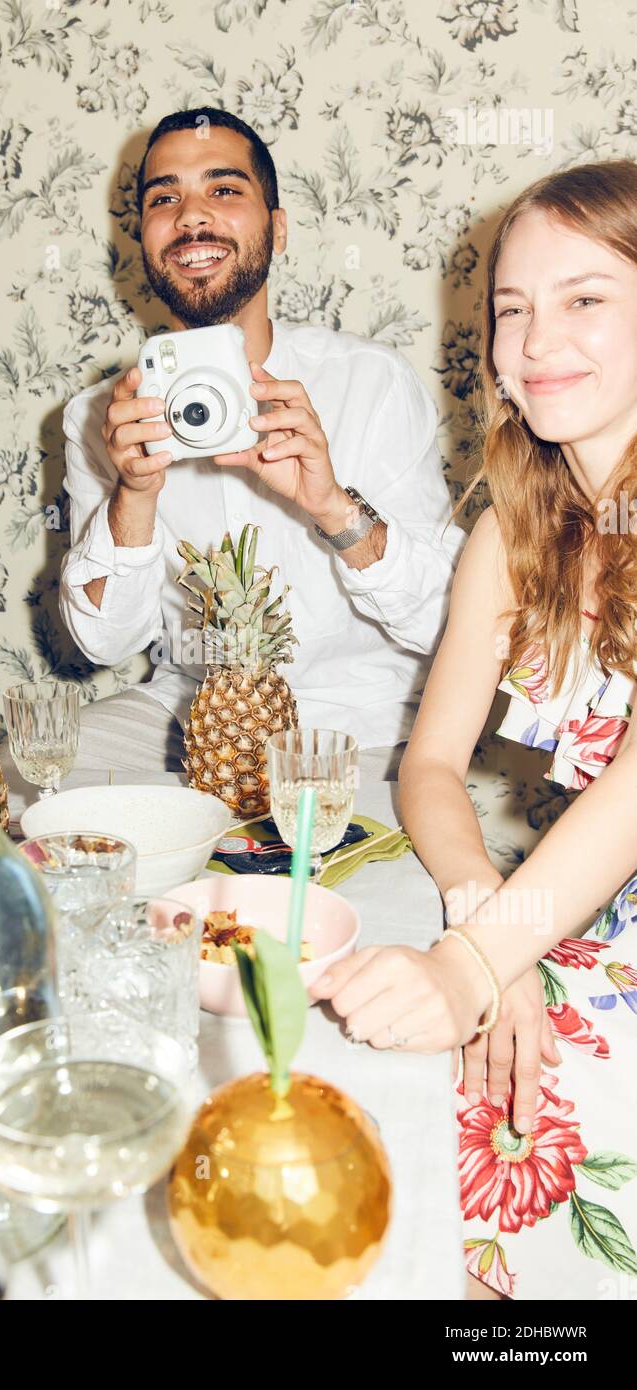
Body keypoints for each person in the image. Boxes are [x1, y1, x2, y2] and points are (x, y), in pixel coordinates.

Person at [312, 160, 637, 1300]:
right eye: (510, 308)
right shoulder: (512, 534)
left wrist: (478, 957)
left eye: (584, 298)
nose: (534, 336)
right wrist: (486, 925)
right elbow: (430, 765)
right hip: (584, 914)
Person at [59, 107, 463, 779]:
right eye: (165, 197)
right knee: (29, 779)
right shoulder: (99, 417)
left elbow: (449, 625)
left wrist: (335, 508)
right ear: (144, 237)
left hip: (358, 723)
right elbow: (104, 643)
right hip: (187, 715)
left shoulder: (372, 384)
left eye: (224, 189)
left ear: (276, 230)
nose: (192, 217)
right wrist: (134, 495)